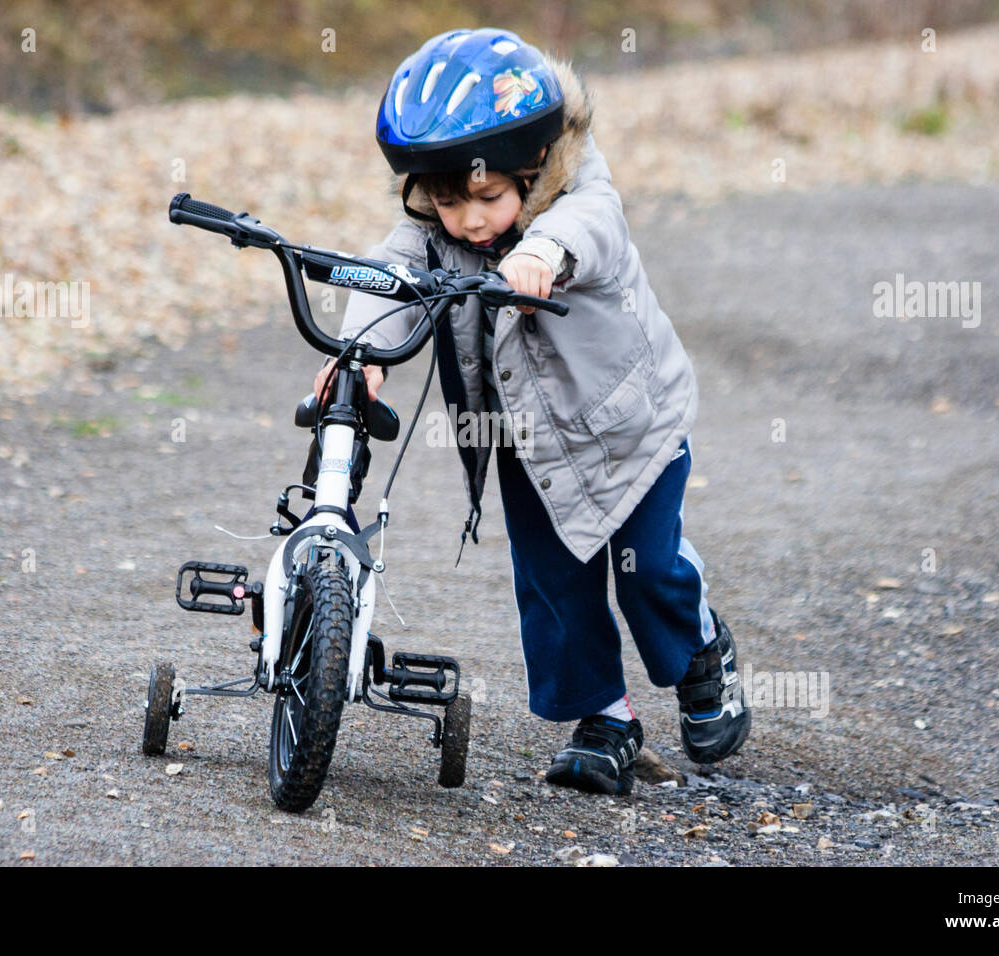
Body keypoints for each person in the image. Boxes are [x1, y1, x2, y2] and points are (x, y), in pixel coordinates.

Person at [313, 28, 750, 794]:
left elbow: (589, 231)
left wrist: (540, 255)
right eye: (449, 202)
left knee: (646, 571)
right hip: (527, 445)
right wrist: (362, 353)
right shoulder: (434, 229)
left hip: (629, 431)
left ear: (533, 167)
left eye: (486, 198)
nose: (470, 221)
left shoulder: (581, 198)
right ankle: (605, 719)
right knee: (554, 583)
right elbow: (388, 273)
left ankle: (700, 651)